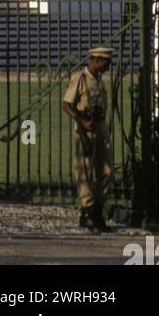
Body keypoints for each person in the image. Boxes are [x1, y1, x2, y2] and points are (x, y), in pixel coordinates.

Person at [62, 46, 113, 232]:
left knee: (106, 169)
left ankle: (98, 209)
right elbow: (66, 104)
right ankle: (87, 210)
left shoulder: (98, 81)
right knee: (85, 169)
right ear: (96, 60)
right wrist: (82, 121)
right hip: (86, 128)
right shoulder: (80, 79)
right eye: (106, 62)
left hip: (100, 127)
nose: (107, 66)